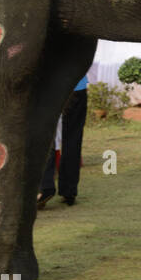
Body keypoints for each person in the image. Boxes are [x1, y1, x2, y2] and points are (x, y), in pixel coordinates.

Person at [38, 75, 88, 210]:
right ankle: (69, 191)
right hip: (78, 86)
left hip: (51, 87)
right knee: (73, 138)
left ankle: (45, 186)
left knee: (46, 134)